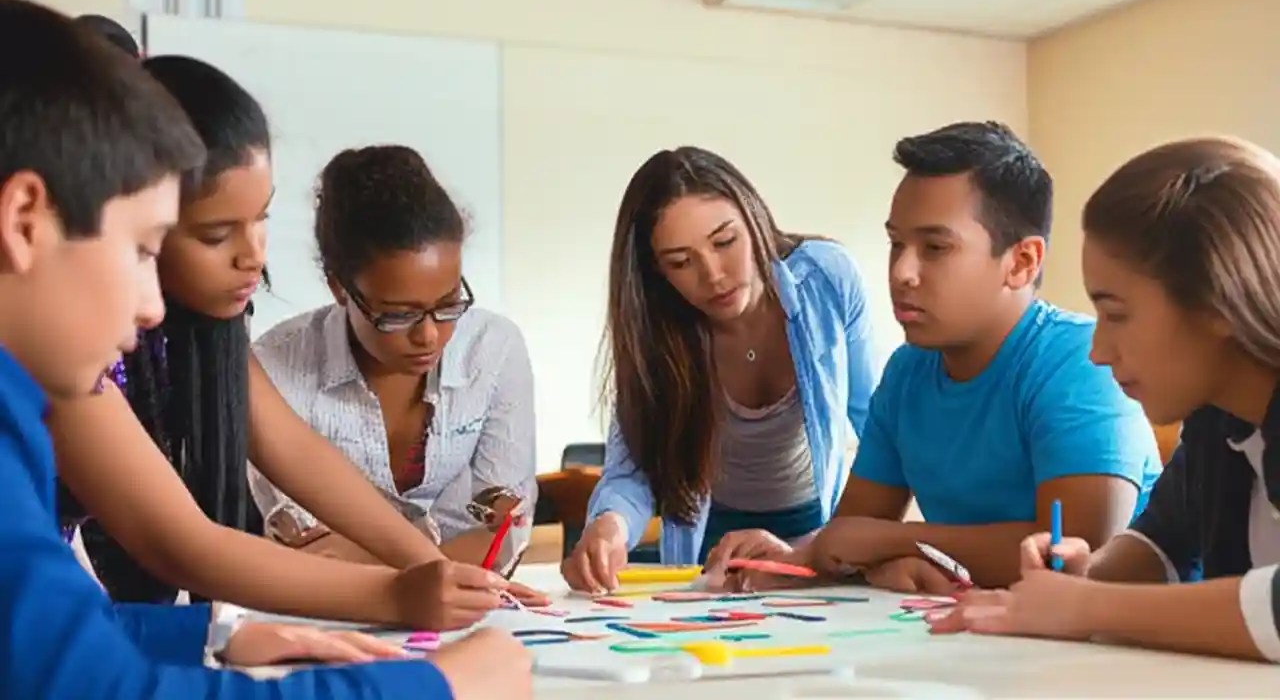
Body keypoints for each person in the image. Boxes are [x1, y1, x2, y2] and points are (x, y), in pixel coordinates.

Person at [0, 0, 530, 699]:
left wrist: (215, 634)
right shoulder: (55, 379)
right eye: (143, 249)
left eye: (263, 220)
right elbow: (101, 676)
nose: (151, 301)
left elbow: (48, 646)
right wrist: (434, 684)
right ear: (26, 219)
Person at [709, 122, 1162, 591]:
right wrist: (794, 560)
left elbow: (1071, 548)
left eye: (936, 248)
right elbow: (849, 538)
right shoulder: (907, 372)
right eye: (896, 244)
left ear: (1022, 262)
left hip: (1131, 647)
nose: (902, 272)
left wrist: (895, 543)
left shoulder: (1080, 360)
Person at [928, 136, 1280, 664]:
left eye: (1116, 313)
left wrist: (1090, 607)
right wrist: (1086, 575)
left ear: (1218, 299)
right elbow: (1161, 541)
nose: (1096, 351)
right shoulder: (1218, 420)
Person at [561, 146, 881, 593]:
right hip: (708, 547)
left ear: (753, 220)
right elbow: (631, 472)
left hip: (815, 531)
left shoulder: (827, 278)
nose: (713, 275)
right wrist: (609, 527)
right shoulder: (655, 330)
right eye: (680, 262)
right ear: (658, 275)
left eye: (725, 241)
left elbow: (878, 427)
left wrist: (835, 544)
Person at [251, 144, 537, 572]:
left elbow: (502, 525)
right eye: (398, 315)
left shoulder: (492, 350)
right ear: (340, 288)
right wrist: (442, 568)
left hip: (471, 608)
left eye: (448, 303)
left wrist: (378, 562)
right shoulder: (276, 366)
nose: (428, 335)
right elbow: (312, 552)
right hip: (333, 616)